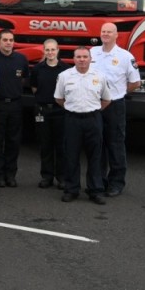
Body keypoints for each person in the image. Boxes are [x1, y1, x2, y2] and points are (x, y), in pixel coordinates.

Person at [54, 47, 112, 205]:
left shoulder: (99, 76)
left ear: (90, 58)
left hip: (93, 120)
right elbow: (59, 98)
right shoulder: (64, 76)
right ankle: (71, 189)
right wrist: (73, 109)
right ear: (73, 59)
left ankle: (95, 190)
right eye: (78, 57)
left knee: (95, 157)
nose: (82, 59)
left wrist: (93, 111)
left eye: (85, 56)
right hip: (72, 120)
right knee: (71, 156)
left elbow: (106, 99)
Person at [88, 23, 140, 197]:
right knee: (97, 143)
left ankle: (116, 182)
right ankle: (98, 181)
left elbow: (135, 82)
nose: (106, 34)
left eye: (109, 32)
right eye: (103, 31)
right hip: (94, 104)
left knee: (115, 143)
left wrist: (118, 93)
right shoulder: (92, 53)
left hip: (115, 106)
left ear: (116, 35)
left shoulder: (125, 56)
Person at [0, 29, 30, 188]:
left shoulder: (21, 59)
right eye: (5, 40)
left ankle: (11, 175)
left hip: (15, 104)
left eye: (11, 40)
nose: (8, 43)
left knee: (13, 141)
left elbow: (25, 80)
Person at [30, 39, 69, 189]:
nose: (50, 53)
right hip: (42, 111)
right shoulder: (38, 69)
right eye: (47, 50)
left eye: (53, 50)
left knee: (61, 146)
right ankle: (46, 176)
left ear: (58, 50)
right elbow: (34, 88)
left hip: (60, 110)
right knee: (45, 145)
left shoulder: (66, 69)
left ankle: (62, 177)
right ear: (44, 51)